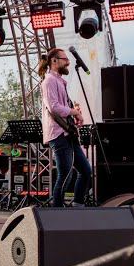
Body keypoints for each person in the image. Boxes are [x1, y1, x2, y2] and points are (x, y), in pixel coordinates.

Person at [39, 48, 92, 208]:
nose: (68, 62)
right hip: (58, 135)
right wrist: (74, 112)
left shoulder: (59, 81)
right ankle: (58, 211)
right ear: (54, 61)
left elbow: (61, 108)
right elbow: (54, 107)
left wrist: (73, 114)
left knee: (85, 171)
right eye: (65, 59)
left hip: (67, 133)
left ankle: (78, 205)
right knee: (65, 176)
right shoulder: (49, 81)